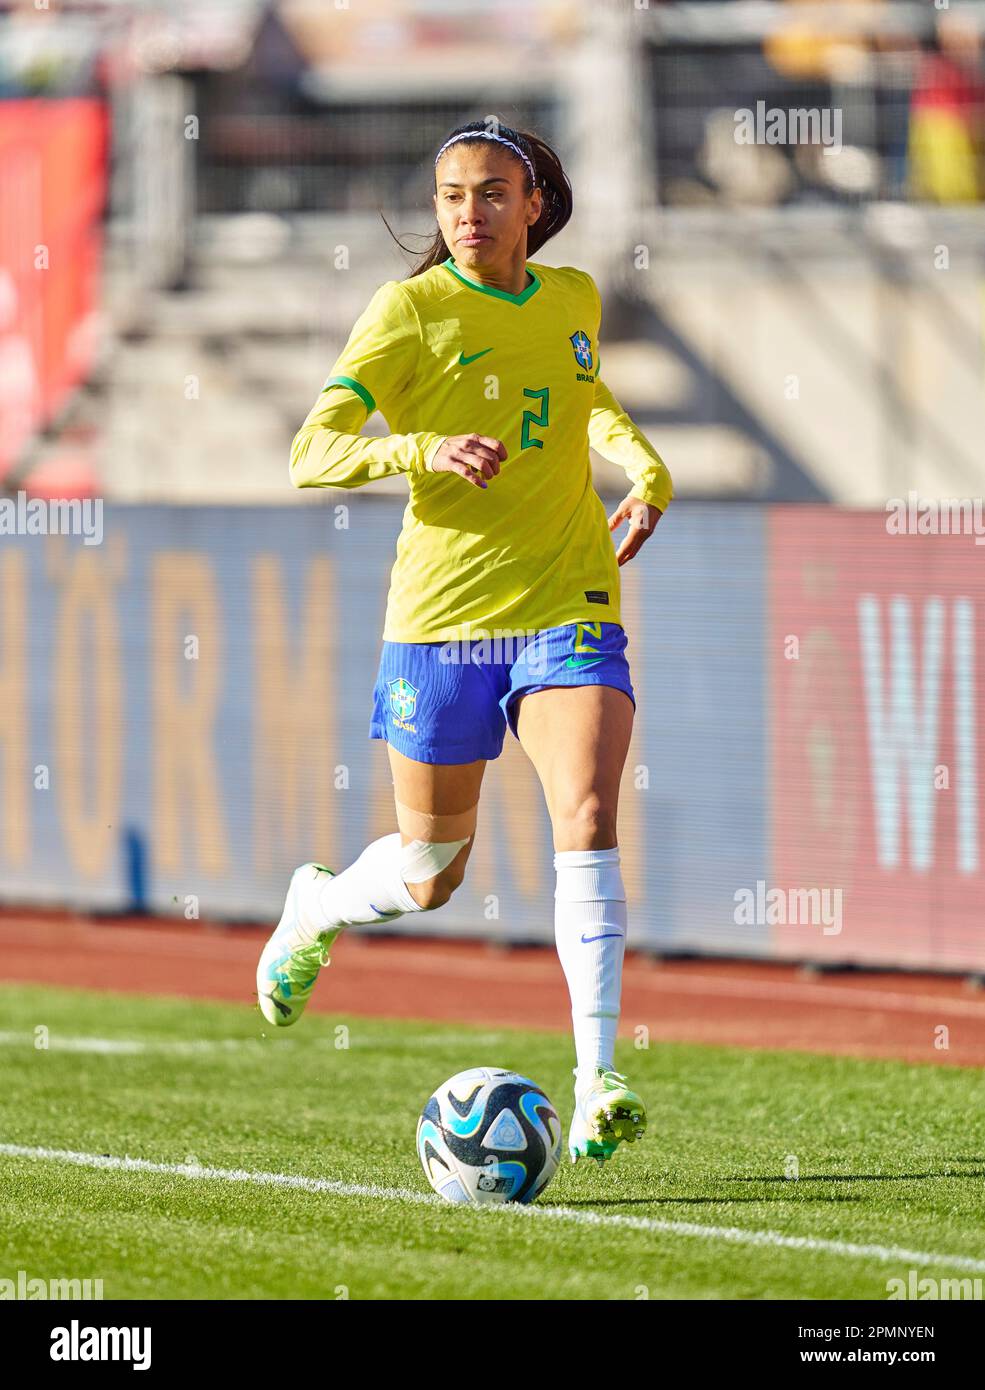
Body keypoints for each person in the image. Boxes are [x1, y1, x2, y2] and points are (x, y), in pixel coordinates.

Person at [256, 120, 673, 1165]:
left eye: (491, 193)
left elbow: (586, 395)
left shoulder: (572, 298)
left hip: (569, 602)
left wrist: (645, 466)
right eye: (450, 196)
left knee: (584, 810)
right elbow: (310, 451)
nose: (468, 213)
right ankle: (320, 907)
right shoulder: (409, 311)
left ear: (535, 204)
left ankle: (596, 1079)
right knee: (433, 869)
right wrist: (424, 445)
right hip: (440, 620)